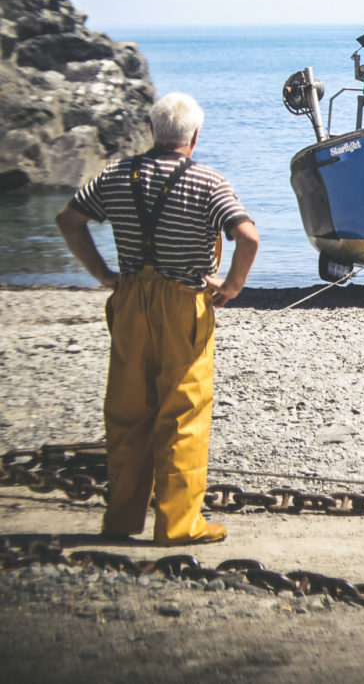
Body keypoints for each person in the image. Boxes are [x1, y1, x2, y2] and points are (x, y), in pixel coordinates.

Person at [55, 92, 258, 546]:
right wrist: (232, 286)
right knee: (184, 411)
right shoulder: (209, 181)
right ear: (194, 135)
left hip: (130, 299)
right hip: (184, 302)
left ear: (153, 131)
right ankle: (179, 524)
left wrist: (103, 274)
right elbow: (247, 237)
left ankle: (122, 519)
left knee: (128, 410)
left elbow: (68, 219)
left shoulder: (114, 175)